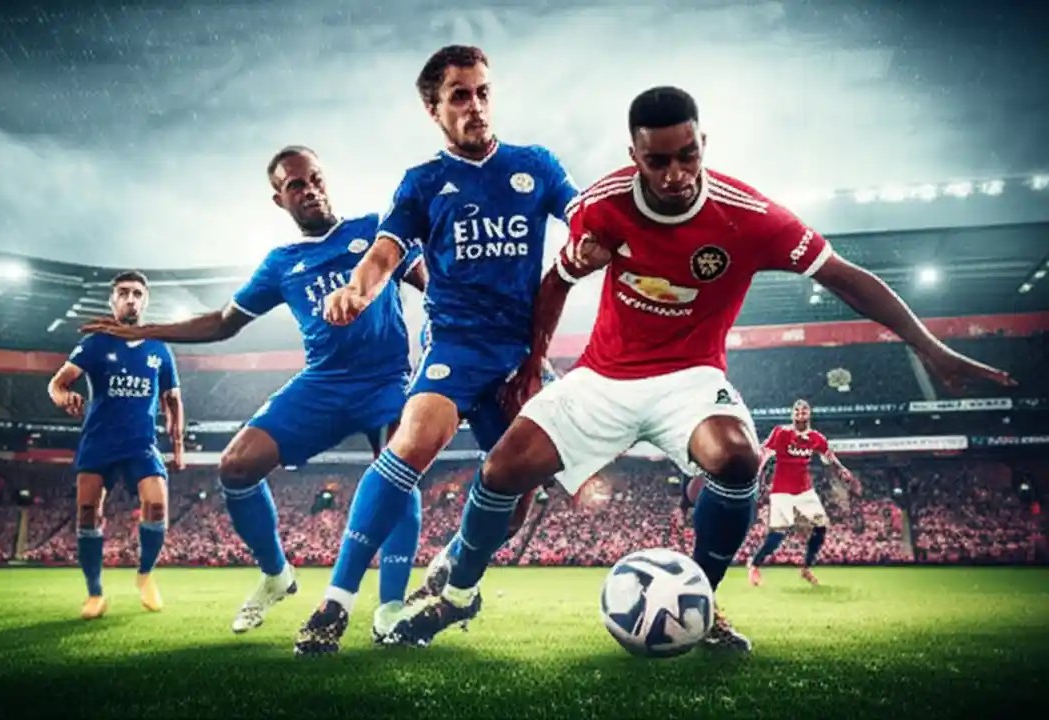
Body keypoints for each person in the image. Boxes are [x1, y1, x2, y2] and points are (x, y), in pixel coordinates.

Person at [389, 85, 1014, 652]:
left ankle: (703, 600)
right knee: (501, 470)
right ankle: (458, 592)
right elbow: (557, 279)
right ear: (634, 156)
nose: (675, 173)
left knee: (738, 457)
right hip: (604, 376)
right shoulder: (601, 206)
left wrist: (930, 348)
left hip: (690, 377)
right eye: (657, 160)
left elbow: (849, 280)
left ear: (702, 143)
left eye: (687, 155)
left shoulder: (752, 217)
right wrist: (534, 359)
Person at [295, 44, 581, 655]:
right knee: (412, 444)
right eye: (459, 95)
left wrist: (599, 237)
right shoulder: (424, 182)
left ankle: (450, 566)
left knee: (516, 498)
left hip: (519, 354)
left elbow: (581, 214)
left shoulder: (535, 165)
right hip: (455, 343)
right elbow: (384, 253)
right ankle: (334, 604)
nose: (475, 106)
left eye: (482, 92)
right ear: (434, 108)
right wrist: (356, 289)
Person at [81, 146, 429, 640]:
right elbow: (224, 323)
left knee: (401, 472)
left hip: (388, 379)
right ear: (279, 199)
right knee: (236, 466)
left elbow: (429, 286)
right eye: (295, 185)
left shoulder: (375, 228)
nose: (310, 190)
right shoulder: (281, 263)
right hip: (324, 383)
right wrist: (148, 331)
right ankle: (275, 575)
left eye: (315, 179)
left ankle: (390, 607)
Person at [48, 270, 184, 620]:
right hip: (99, 442)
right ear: (113, 300)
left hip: (141, 444)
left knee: (156, 505)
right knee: (87, 514)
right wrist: (63, 396)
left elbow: (173, 398)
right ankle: (95, 593)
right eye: (124, 293)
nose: (131, 299)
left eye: (137, 293)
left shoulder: (159, 348)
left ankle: (145, 576)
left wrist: (179, 443)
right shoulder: (95, 343)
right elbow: (57, 382)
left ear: (145, 300)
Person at [747, 399, 860, 586]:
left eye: (804, 410)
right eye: (797, 411)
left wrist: (841, 469)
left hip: (804, 491)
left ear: (809, 414)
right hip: (781, 491)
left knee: (821, 526)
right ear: (793, 415)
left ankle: (806, 568)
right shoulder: (781, 432)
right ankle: (754, 565)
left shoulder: (816, 438)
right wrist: (757, 477)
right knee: (778, 535)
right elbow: (764, 453)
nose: (800, 413)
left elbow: (829, 455)